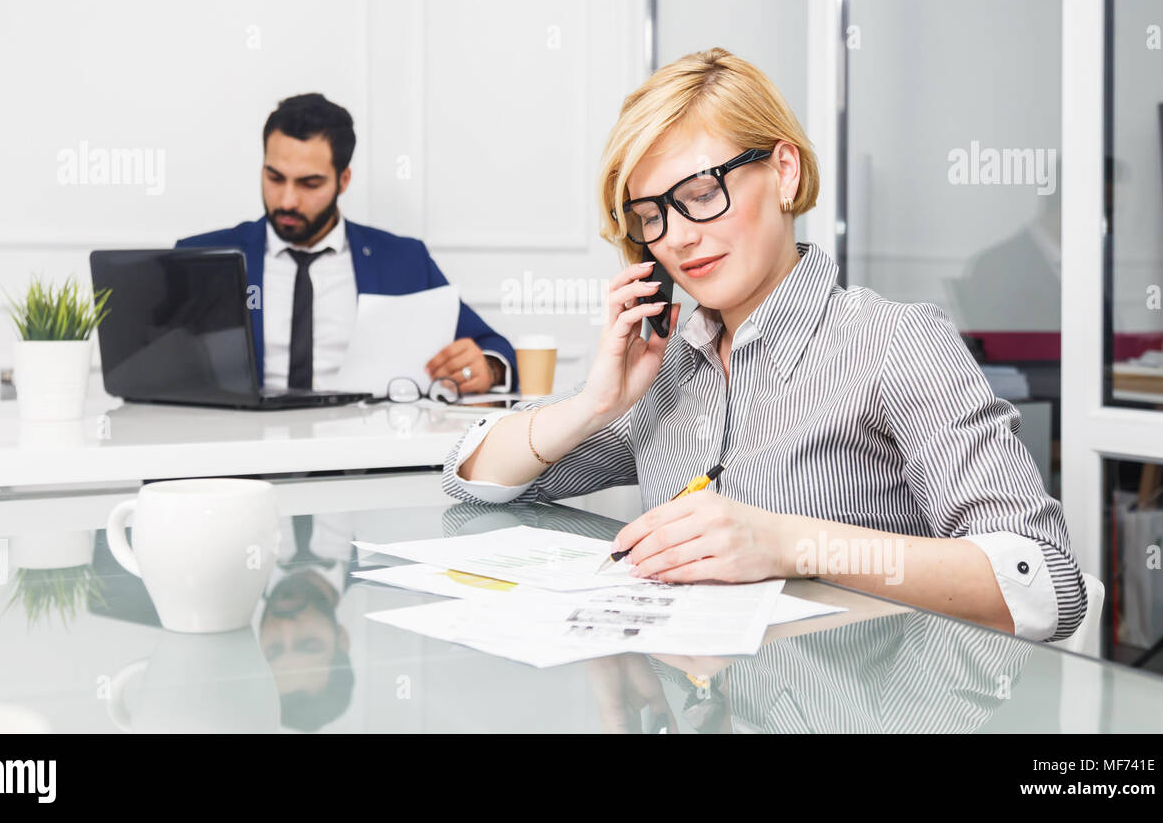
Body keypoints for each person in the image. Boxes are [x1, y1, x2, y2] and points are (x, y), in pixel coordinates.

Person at [442, 48, 1086, 642]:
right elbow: (475, 478)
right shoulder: (670, 368)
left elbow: (1045, 585)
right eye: (651, 215)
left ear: (784, 170)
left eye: (700, 195)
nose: (678, 238)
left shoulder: (893, 341)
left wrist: (788, 544)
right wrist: (595, 404)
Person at [176, 93, 515, 394]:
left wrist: (487, 367)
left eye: (310, 183)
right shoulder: (202, 259)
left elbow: (493, 347)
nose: (288, 200)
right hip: (239, 456)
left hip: (364, 455)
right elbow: (148, 364)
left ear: (344, 179)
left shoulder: (402, 259)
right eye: (274, 178)